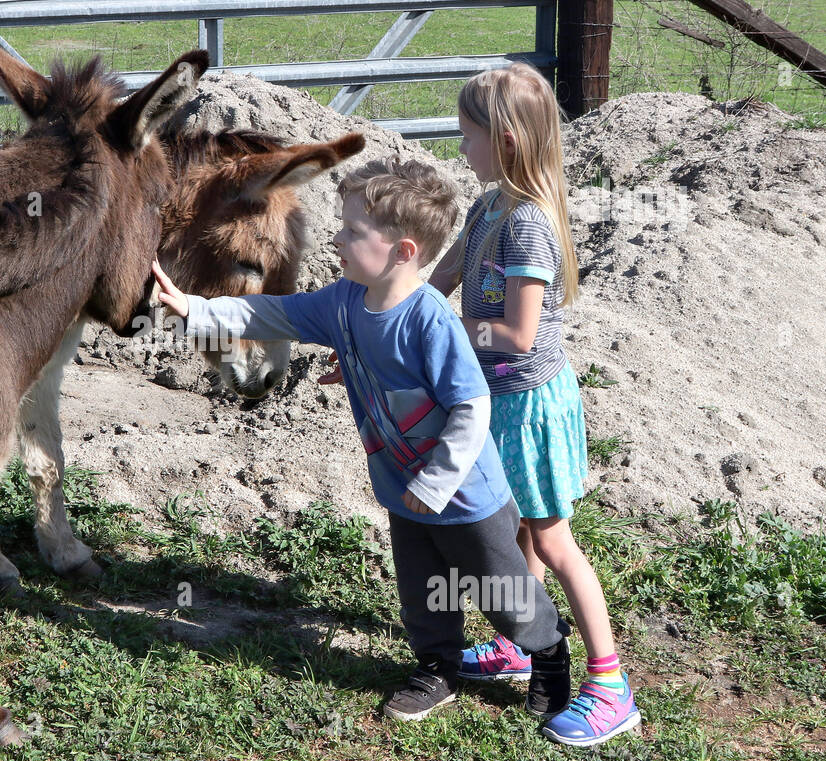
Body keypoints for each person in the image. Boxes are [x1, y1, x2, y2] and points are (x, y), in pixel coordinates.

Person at [152, 156, 572, 722]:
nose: (337, 239)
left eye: (352, 231)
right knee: (424, 592)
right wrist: (199, 308)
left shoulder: (430, 321)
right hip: (402, 487)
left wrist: (439, 481)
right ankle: (437, 667)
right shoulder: (344, 302)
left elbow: (472, 409)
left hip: (467, 496)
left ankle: (547, 651)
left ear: (402, 251)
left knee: (502, 592)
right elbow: (274, 313)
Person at [425, 63, 641, 746]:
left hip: (531, 404)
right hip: (495, 399)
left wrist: (449, 331)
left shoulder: (526, 226)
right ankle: (522, 644)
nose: (461, 148)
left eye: (469, 135)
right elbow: (447, 274)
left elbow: (518, 334)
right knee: (514, 530)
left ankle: (610, 684)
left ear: (508, 140)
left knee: (550, 539)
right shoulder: (487, 207)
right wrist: (398, 319)